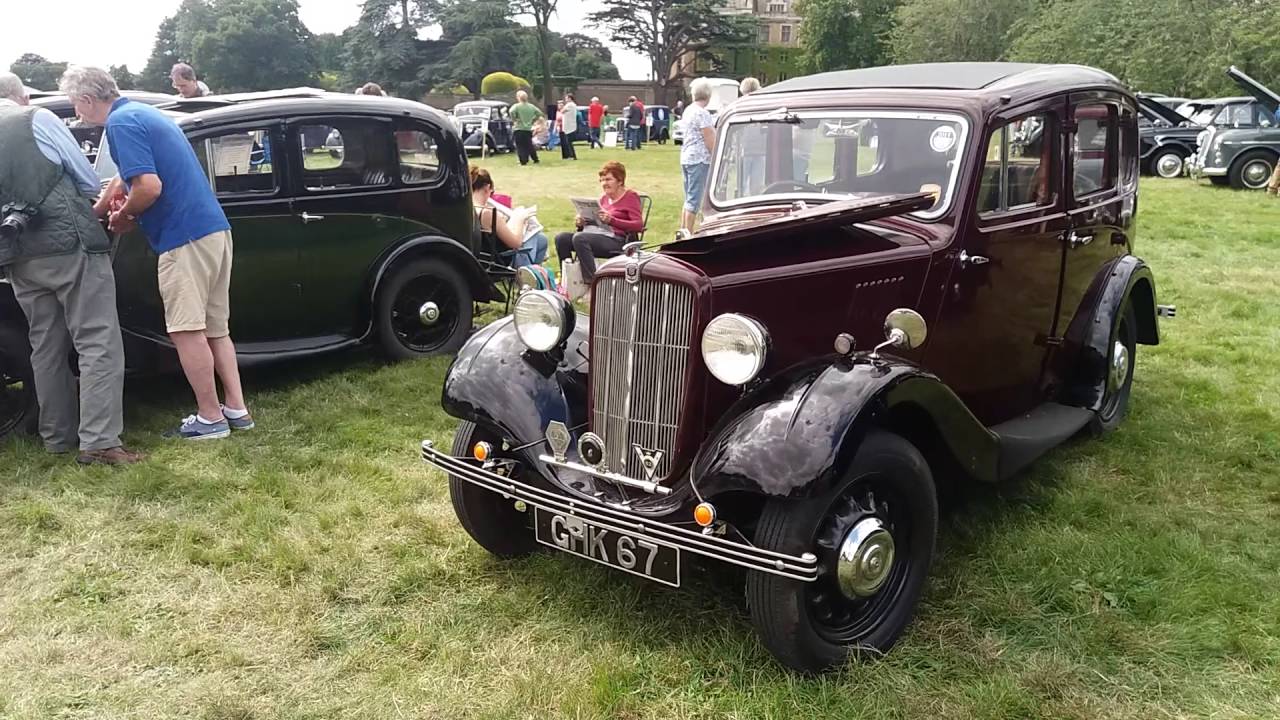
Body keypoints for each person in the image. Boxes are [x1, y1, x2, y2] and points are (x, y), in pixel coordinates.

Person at [62, 66, 252, 441]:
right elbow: (125, 175)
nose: (77, 114)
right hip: (213, 229)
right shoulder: (144, 113)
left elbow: (148, 186)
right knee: (216, 329)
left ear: (86, 99)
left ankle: (210, 418)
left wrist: (125, 216)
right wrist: (99, 211)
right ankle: (237, 409)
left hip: (182, 237)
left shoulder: (120, 125)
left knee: (186, 330)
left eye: (75, 105)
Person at [0, 73, 141, 465]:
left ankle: (57, 437)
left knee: (44, 346)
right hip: (69, 244)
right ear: (22, 96)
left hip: (16, 252)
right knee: (97, 340)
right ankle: (98, 442)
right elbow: (84, 177)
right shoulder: (35, 119)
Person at [555, 161, 644, 285]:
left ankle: (593, 283)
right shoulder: (603, 198)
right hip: (599, 235)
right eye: (602, 180)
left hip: (620, 240)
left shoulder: (630, 196)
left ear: (620, 180)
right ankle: (568, 281)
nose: (604, 183)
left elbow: (638, 225)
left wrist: (612, 221)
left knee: (580, 238)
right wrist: (581, 223)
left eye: (608, 179)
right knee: (562, 238)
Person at [471, 166, 548, 268]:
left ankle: (535, 275)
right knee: (534, 235)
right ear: (487, 188)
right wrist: (520, 219)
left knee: (541, 239)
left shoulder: (469, 209)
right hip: (498, 262)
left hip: (478, 257)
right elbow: (515, 243)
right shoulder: (487, 213)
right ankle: (528, 276)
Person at [680, 78, 717, 232]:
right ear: (708, 95)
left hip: (687, 157)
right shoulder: (703, 114)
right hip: (700, 159)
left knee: (688, 197)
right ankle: (688, 232)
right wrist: (717, 156)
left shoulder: (688, 110)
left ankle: (682, 229)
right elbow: (709, 139)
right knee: (694, 200)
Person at [510, 90, 543, 166]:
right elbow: (539, 113)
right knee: (529, 144)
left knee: (520, 145)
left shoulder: (517, 106)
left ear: (518, 98)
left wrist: (514, 119)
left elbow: (511, 111)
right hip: (528, 129)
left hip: (519, 128)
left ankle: (523, 160)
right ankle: (535, 158)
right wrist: (533, 120)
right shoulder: (531, 106)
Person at [560, 93, 579, 160]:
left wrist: (561, 107)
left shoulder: (570, 105)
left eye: (566, 98)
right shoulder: (573, 105)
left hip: (569, 126)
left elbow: (562, 111)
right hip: (570, 125)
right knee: (568, 142)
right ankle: (571, 155)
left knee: (569, 142)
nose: (565, 99)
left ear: (570, 98)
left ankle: (572, 155)